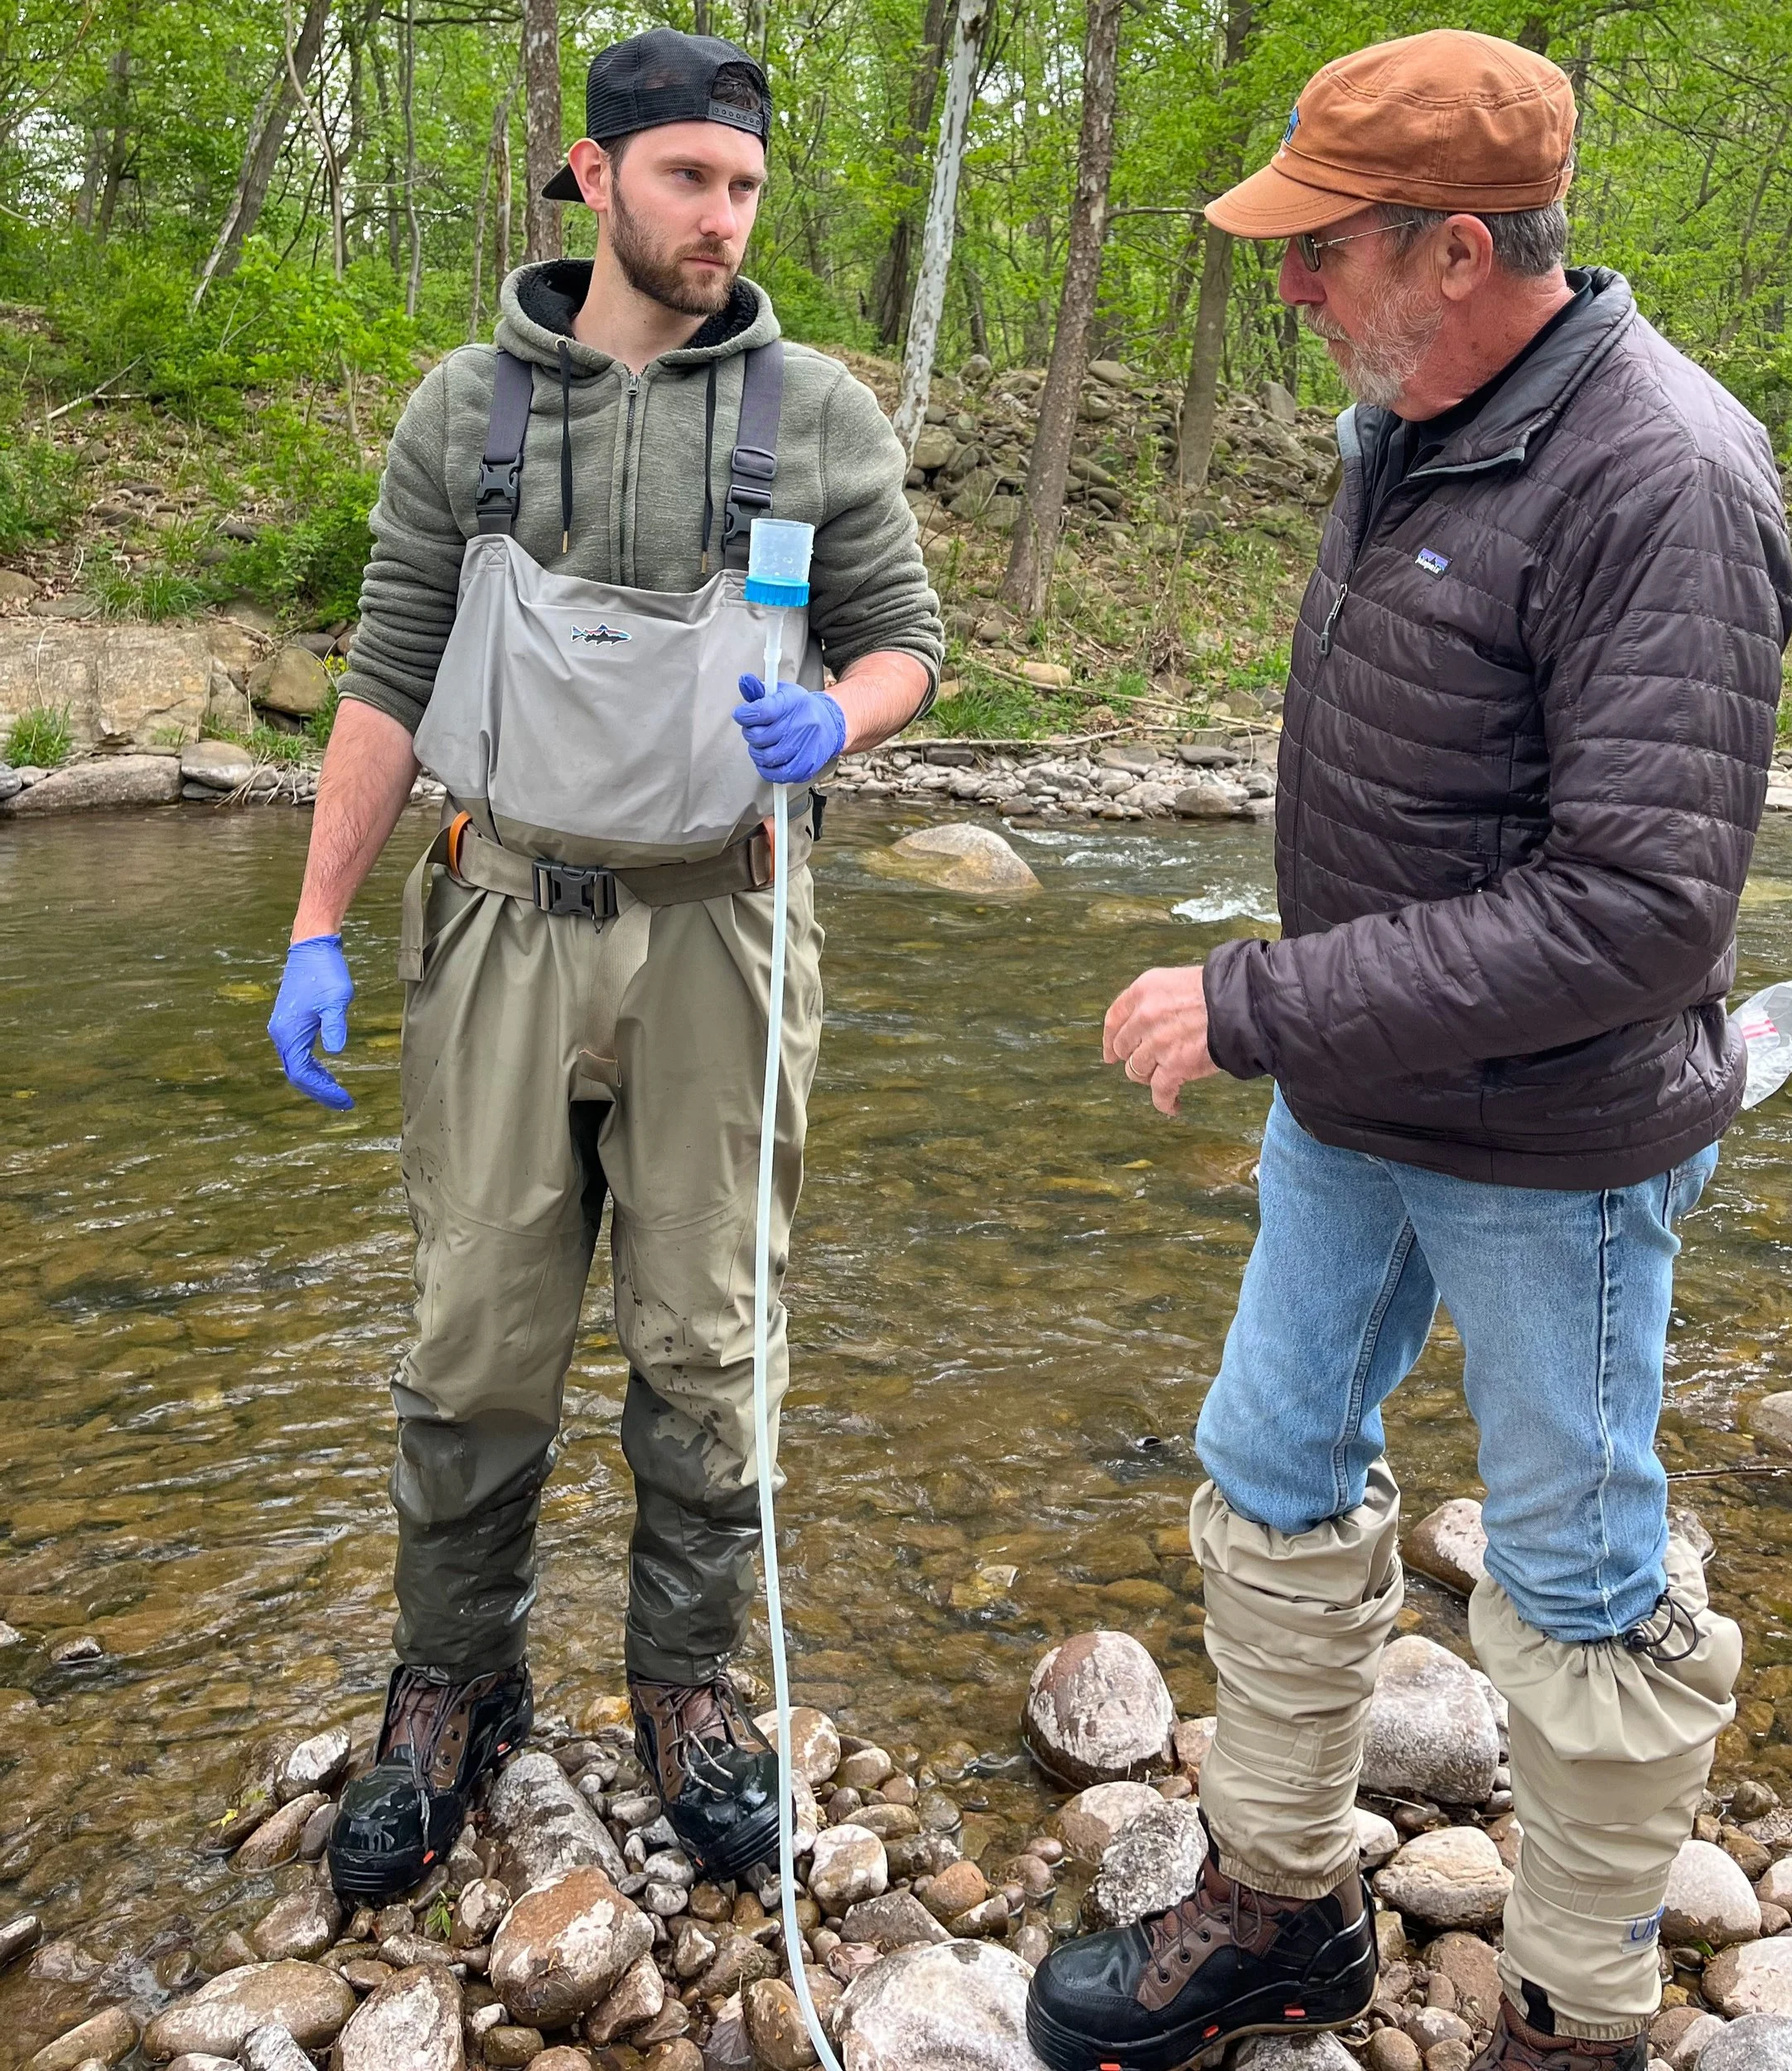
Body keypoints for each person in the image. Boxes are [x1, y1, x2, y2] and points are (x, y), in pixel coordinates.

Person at [1027, 28, 1792, 2071]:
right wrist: (1314, 1030)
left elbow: (1639, 911)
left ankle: (1572, 2006)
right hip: (1360, 1112)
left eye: (1320, 251)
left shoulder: (1663, 471)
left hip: (1562, 1150)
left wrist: (1259, 1000)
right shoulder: (1410, 421)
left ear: (1458, 248)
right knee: (1271, 1468)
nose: (1285, 287)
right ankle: (1280, 1902)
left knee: (1575, 1574)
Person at [263, 27, 941, 1902]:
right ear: (593, 174)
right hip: (496, 911)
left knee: (707, 1337)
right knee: (473, 1329)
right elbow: (389, 673)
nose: (719, 216)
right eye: (684, 179)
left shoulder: (817, 414)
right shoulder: (462, 405)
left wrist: (848, 726)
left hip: (727, 918)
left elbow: (904, 639)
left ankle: (687, 1681)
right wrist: (316, 924)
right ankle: (454, 1680)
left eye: (741, 184)